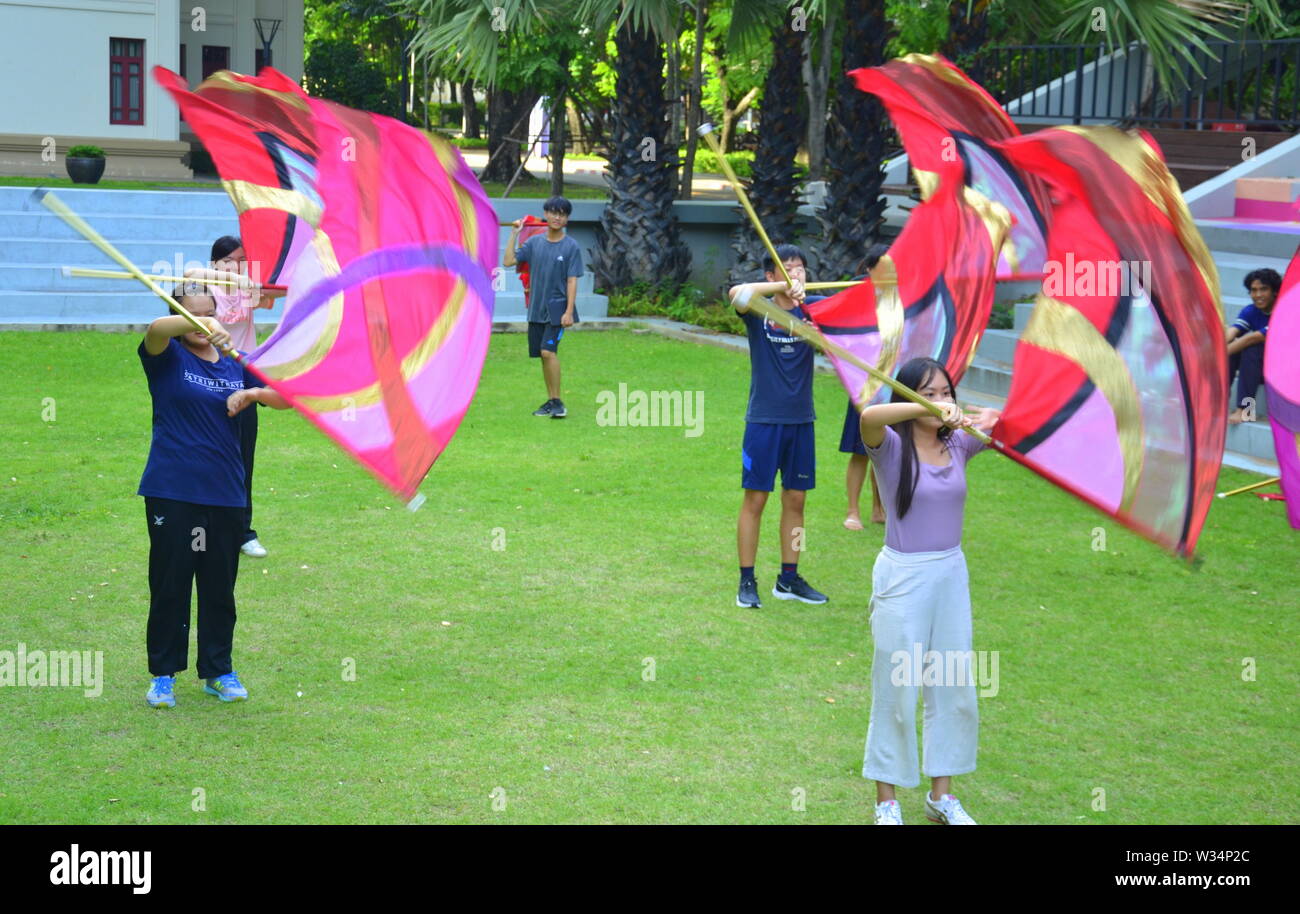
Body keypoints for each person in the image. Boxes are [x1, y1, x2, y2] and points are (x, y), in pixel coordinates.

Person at [858, 356, 999, 825]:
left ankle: (942, 796)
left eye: (946, 392)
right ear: (910, 397)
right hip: (903, 577)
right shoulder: (890, 447)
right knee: (896, 689)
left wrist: (983, 418)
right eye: (928, 392)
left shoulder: (959, 444)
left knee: (953, 686)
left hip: (950, 575)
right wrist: (924, 408)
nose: (940, 401)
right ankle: (887, 802)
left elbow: (1001, 425)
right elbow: (868, 417)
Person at [139, 285, 289, 708]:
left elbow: (286, 397)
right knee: (171, 582)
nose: (204, 322)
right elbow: (155, 328)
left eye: (211, 312)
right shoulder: (167, 356)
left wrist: (254, 393)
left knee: (219, 586)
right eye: (193, 315)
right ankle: (163, 675)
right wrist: (198, 323)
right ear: (179, 316)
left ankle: (218, 670)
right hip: (173, 490)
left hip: (225, 492)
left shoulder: (233, 362)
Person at [728, 243, 829, 609]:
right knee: (756, 498)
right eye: (787, 268)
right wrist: (778, 288)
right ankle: (747, 579)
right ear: (770, 276)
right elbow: (737, 294)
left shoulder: (812, 310)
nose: (796, 274)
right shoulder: (759, 308)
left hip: (802, 420)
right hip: (764, 421)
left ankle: (789, 577)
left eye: (800, 268)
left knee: (797, 500)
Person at [184, 236, 285, 557]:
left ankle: (243, 532)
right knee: (201, 459)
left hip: (242, 383)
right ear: (215, 263)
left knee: (242, 460)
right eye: (228, 260)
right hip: (204, 382)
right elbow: (189, 275)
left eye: (242, 260)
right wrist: (235, 277)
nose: (236, 266)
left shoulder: (248, 292)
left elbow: (277, 294)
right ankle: (200, 528)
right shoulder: (203, 290)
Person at [503, 196, 583, 419]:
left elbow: (572, 280)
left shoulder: (571, 246)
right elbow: (508, 261)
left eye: (563, 214)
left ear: (566, 219)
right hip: (536, 308)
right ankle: (551, 400)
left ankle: (557, 402)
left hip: (558, 310)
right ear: (546, 214)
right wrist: (514, 234)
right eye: (554, 212)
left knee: (548, 352)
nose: (558, 217)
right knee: (542, 354)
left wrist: (568, 311)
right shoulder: (534, 243)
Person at [840, 246, 891, 530]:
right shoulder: (859, 294)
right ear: (869, 269)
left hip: (893, 381)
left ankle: (879, 508)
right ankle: (852, 511)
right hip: (863, 383)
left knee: (887, 447)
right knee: (860, 450)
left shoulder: (903, 297)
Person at [1226, 268, 1280, 424]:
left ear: (1275, 291)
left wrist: (1216, 356)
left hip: (1286, 371)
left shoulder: (1283, 312)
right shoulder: (1251, 310)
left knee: (1251, 347)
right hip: (1261, 368)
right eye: (1253, 290)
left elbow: (1254, 338)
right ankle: (1219, 400)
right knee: (1235, 348)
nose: (1258, 295)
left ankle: (1245, 410)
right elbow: (1234, 331)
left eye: (1264, 289)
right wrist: (1219, 347)